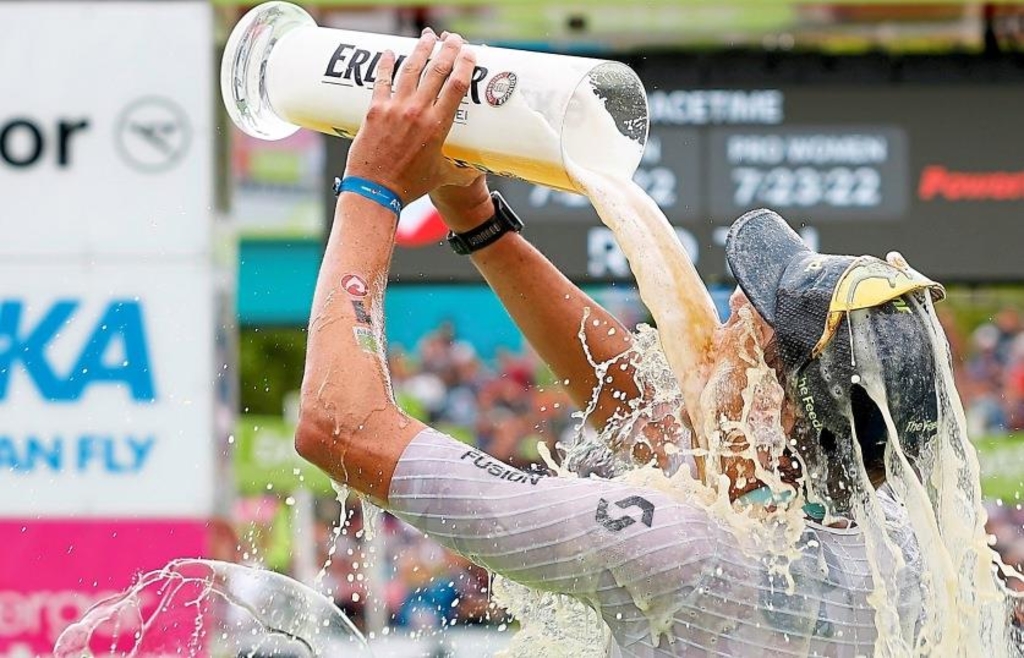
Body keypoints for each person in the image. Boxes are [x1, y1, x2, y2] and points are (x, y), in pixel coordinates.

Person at [294, 29, 1018, 656]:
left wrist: (372, 186)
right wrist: (475, 214)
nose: (730, 305)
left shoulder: (683, 545)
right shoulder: (902, 539)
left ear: (777, 411)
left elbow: (341, 427)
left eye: (750, 322)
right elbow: (637, 404)